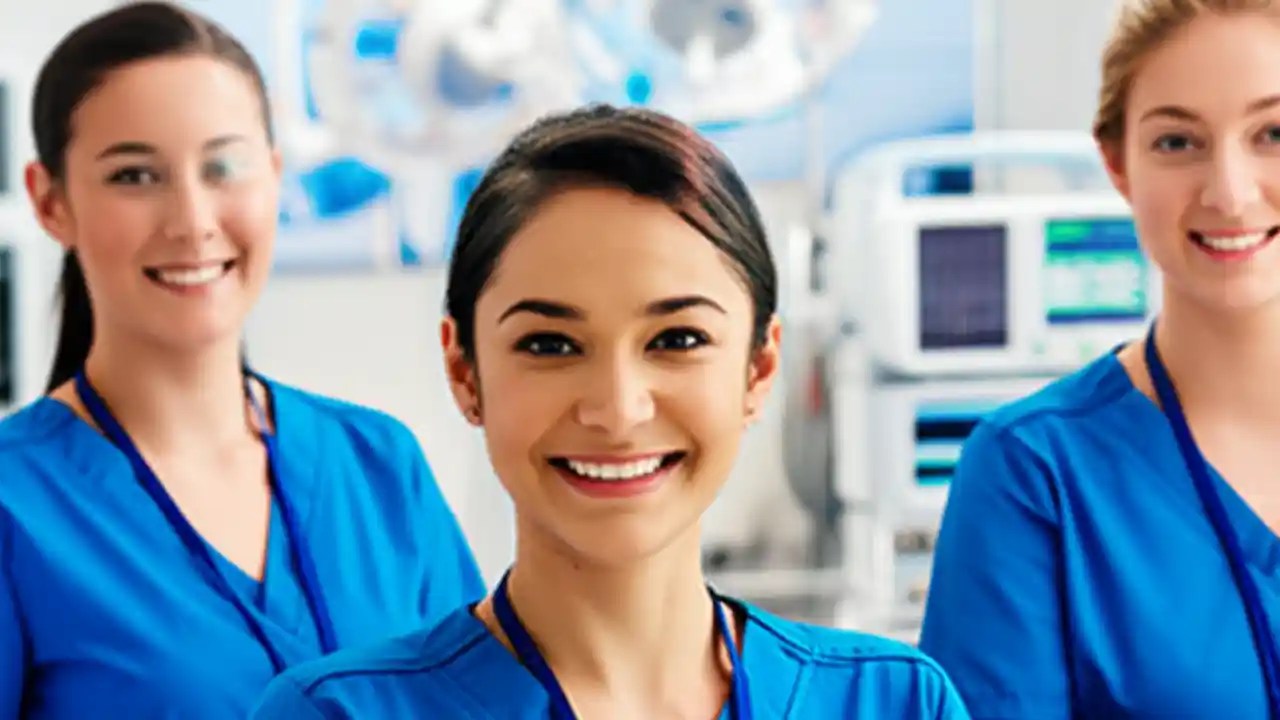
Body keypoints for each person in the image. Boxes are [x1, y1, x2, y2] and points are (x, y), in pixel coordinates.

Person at [249, 104, 970, 718]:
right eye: (552, 344)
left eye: (678, 339)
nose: (618, 409)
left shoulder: (892, 702)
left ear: (759, 367)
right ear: (465, 371)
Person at [0, 3, 485, 718]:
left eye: (224, 166)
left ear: (276, 176)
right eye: (135, 175)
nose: (193, 220)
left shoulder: (378, 465)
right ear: (51, 202)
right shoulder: (18, 504)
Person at [919, 1, 1280, 717]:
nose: (1230, 194)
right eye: (1178, 142)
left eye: (1274, 132)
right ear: (1117, 164)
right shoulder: (1035, 473)